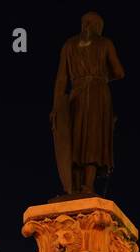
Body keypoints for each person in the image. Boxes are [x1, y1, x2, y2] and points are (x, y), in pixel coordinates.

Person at [52, 12, 125, 195]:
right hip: (99, 95)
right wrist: (100, 75)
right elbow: (119, 72)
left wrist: (56, 106)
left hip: (76, 93)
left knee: (75, 139)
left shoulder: (68, 45)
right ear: (98, 26)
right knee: (93, 139)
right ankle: (87, 186)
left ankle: (75, 187)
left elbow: (61, 79)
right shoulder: (105, 43)